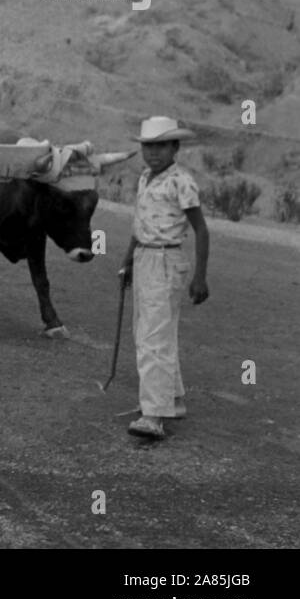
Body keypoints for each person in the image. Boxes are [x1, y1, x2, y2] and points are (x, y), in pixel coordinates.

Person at [119, 117, 210, 439]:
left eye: (160, 146)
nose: (153, 152)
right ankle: (171, 399)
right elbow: (139, 223)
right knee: (151, 332)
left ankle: (154, 416)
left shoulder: (181, 181)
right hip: (144, 256)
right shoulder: (145, 177)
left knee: (152, 339)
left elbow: (200, 229)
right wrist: (128, 261)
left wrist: (200, 277)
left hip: (167, 258)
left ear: (175, 147)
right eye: (148, 146)